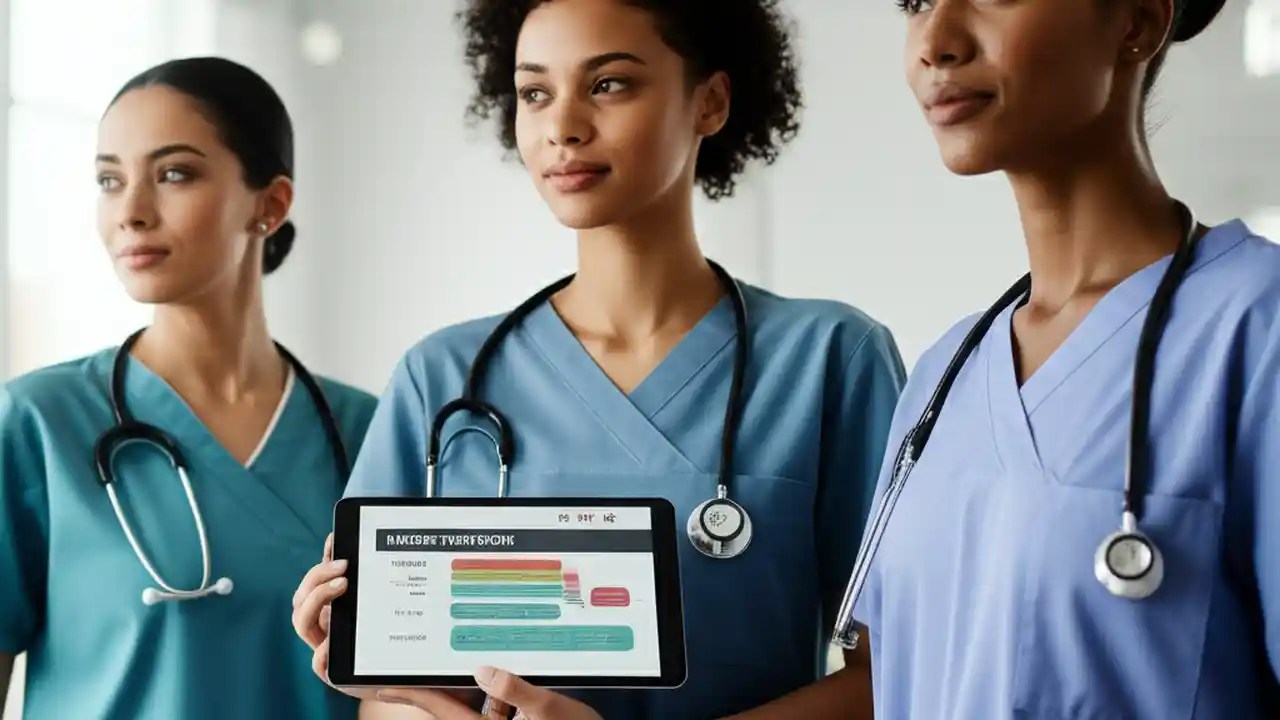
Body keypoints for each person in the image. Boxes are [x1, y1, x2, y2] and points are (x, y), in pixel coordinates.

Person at [291, 1, 905, 718]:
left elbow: (896, 669)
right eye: (534, 93)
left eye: (609, 84)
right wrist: (385, 681)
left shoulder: (829, 360)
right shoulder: (442, 378)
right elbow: (391, 707)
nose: (563, 127)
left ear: (709, 102)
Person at [837, 0, 1280, 717]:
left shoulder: (1257, 327)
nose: (936, 42)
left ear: (1138, 22)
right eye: (916, 2)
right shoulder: (943, 375)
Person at [0, 57, 377, 719]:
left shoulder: (371, 434)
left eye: (174, 173)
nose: (132, 212)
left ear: (271, 203)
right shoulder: (37, 423)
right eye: (109, 180)